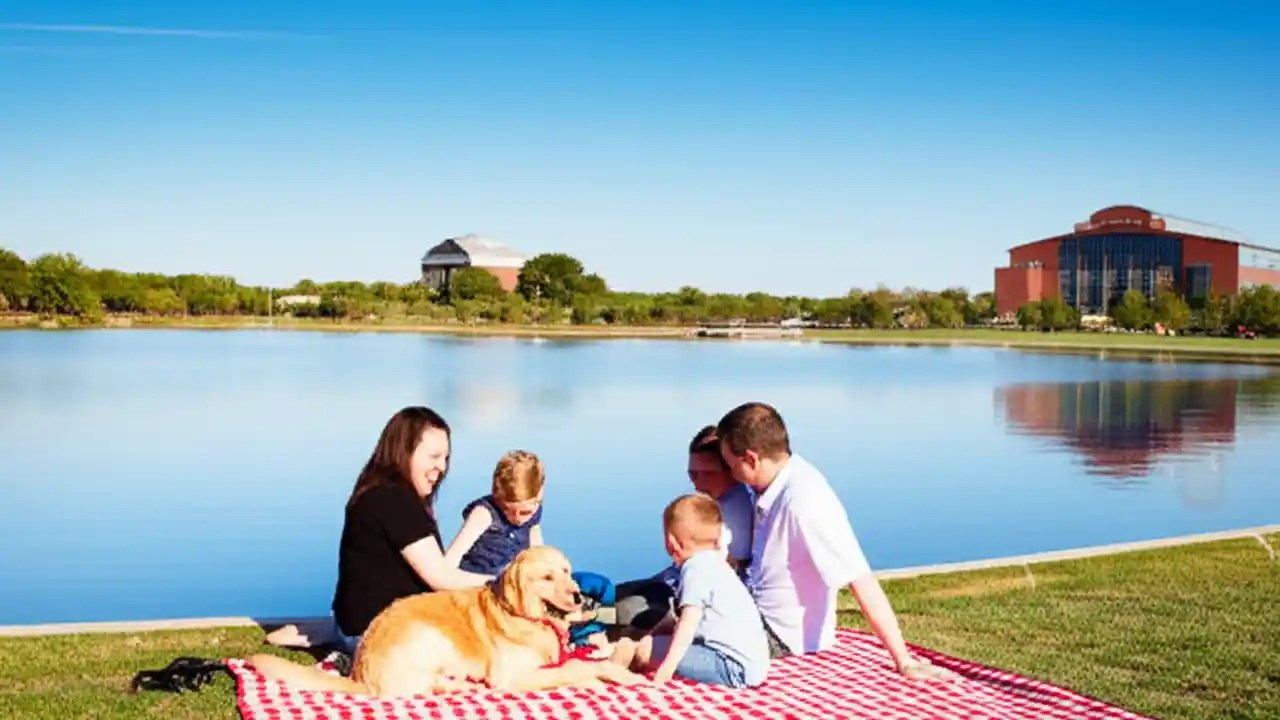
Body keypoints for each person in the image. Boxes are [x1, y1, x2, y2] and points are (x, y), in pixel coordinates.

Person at [715, 401, 955, 681]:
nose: (731, 475)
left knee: (674, 635)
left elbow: (859, 577)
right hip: (755, 614)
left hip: (777, 633)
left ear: (752, 459)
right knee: (670, 606)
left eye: (732, 465)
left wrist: (903, 659)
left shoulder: (803, 501)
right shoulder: (774, 483)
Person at [609, 493, 769, 688]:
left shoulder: (695, 569)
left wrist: (666, 669)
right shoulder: (718, 566)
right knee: (656, 640)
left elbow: (688, 624)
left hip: (730, 667)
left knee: (645, 649)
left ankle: (615, 664)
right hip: (753, 667)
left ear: (672, 543)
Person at [612, 425, 755, 633]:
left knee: (622, 611)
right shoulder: (713, 503)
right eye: (692, 474)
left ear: (731, 471)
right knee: (611, 593)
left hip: (685, 600)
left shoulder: (734, 514)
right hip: (669, 581)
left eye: (707, 474)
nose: (697, 483)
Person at [444, 449, 546, 574]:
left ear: (539, 497)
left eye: (525, 512)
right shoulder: (485, 514)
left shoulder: (534, 513)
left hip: (511, 582)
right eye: (507, 509)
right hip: (477, 583)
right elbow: (451, 558)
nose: (517, 518)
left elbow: (537, 553)